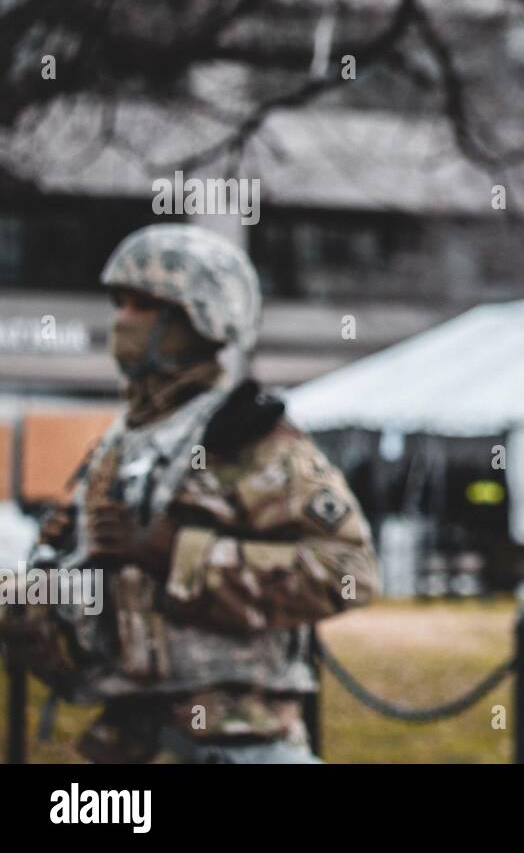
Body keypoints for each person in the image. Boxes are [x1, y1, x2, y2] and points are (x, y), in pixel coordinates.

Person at [2, 223, 378, 763]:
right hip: (129, 741)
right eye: (120, 303)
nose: (121, 321)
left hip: (236, 743)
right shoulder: (121, 442)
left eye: (141, 306)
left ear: (195, 318)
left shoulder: (246, 437)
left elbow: (350, 570)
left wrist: (178, 554)